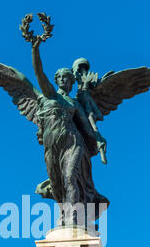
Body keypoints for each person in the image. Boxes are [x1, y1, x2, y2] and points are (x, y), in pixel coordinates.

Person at [32, 38, 109, 226]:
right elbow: (38, 73)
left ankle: (74, 217)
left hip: (73, 143)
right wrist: (35, 48)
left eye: (70, 79)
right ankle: (64, 214)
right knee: (57, 182)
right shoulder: (49, 95)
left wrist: (98, 138)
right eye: (63, 78)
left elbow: (86, 127)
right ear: (57, 79)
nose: (67, 81)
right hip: (52, 145)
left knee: (69, 177)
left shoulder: (74, 104)